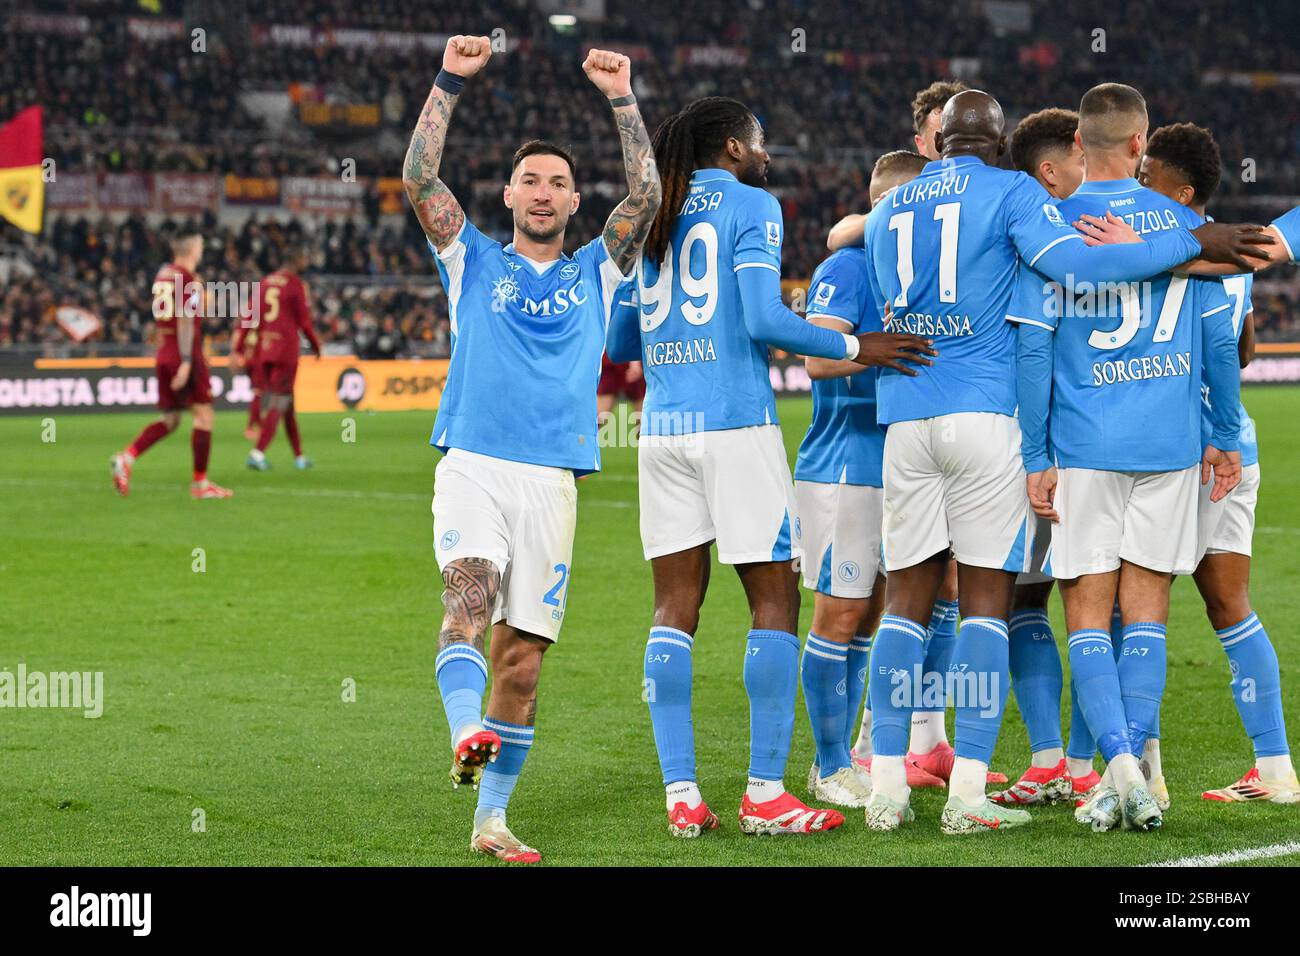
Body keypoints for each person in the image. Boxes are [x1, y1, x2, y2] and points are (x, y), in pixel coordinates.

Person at [861, 86, 1268, 835]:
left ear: (938, 141)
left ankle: (885, 784)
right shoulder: (1016, 193)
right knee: (989, 603)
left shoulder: (887, 211)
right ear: (999, 144)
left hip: (907, 416)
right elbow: (1080, 267)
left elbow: (887, 293)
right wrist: (1192, 241)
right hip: (987, 414)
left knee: (906, 601)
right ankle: (972, 792)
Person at [623, 95, 935, 838]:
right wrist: (859, 345)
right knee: (774, 602)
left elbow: (619, 341)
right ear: (733, 147)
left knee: (674, 609)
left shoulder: (650, 212)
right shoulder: (752, 205)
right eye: (759, 140)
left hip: (662, 430)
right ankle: (765, 794)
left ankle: (682, 795)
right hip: (734, 424)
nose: (766, 153)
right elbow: (766, 320)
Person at [406, 37, 661, 864]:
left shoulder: (599, 270)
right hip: (474, 465)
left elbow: (648, 195)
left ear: (576, 200)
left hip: (553, 482)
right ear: (508, 194)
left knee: (521, 665)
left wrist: (621, 95)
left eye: (557, 182)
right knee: (468, 601)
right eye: (530, 180)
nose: (543, 191)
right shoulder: (470, 257)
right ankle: (463, 731)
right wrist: (450, 80)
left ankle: (491, 822)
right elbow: (419, 177)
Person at [1010, 85, 1264, 832]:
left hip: (1086, 445)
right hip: (1170, 447)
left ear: (1078, 143)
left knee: (1087, 614)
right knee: (1146, 612)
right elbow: (1221, 344)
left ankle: (1116, 769)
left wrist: (1036, 453)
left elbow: (1033, 351)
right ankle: (1136, 775)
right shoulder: (1190, 226)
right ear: (1138, 144)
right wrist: (1224, 432)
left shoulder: (1052, 225)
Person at [1135, 122, 1297, 805]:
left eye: (1148, 178)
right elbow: (1246, 349)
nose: (1137, 185)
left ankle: (1142, 772)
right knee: (1229, 605)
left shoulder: (1148, 248)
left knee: (1134, 606)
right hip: (1235, 447)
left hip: (1177, 452)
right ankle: (1276, 768)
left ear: (1182, 193)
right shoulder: (1235, 252)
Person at [795, 149, 928, 810]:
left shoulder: (922, 269)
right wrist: (877, 351)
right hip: (846, 464)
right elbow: (817, 358)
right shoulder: (848, 265)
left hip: (900, 465)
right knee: (840, 616)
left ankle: (845, 757)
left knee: (870, 617)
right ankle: (827, 766)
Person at [110, 228, 233, 500]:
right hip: (182, 352)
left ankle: (126, 458)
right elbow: (187, 320)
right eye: (200, 245)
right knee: (204, 416)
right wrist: (187, 361)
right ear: (191, 250)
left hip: (164, 350)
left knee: (171, 419)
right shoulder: (186, 278)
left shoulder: (164, 275)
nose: (202, 250)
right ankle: (200, 485)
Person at [246, 246, 322, 471]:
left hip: (266, 348)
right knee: (279, 402)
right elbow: (304, 322)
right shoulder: (295, 284)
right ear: (296, 260)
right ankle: (257, 453)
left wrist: (249, 345)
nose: (305, 263)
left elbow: (254, 315)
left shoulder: (266, 282)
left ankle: (299, 457)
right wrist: (316, 346)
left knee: (288, 404)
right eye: (303, 259)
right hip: (286, 351)